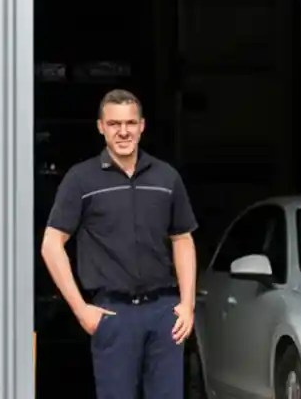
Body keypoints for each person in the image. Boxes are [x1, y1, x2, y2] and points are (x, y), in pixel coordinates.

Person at [41, 89, 199, 399]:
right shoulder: (81, 180)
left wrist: (187, 305)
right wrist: (81, 310)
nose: (123, 131)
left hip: (165, 314)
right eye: (114, 124)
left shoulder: (166, 178)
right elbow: (51, 244)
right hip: (113, 315)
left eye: (130, 123)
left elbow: (183, 238)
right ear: (101, 127)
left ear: (142, 126)